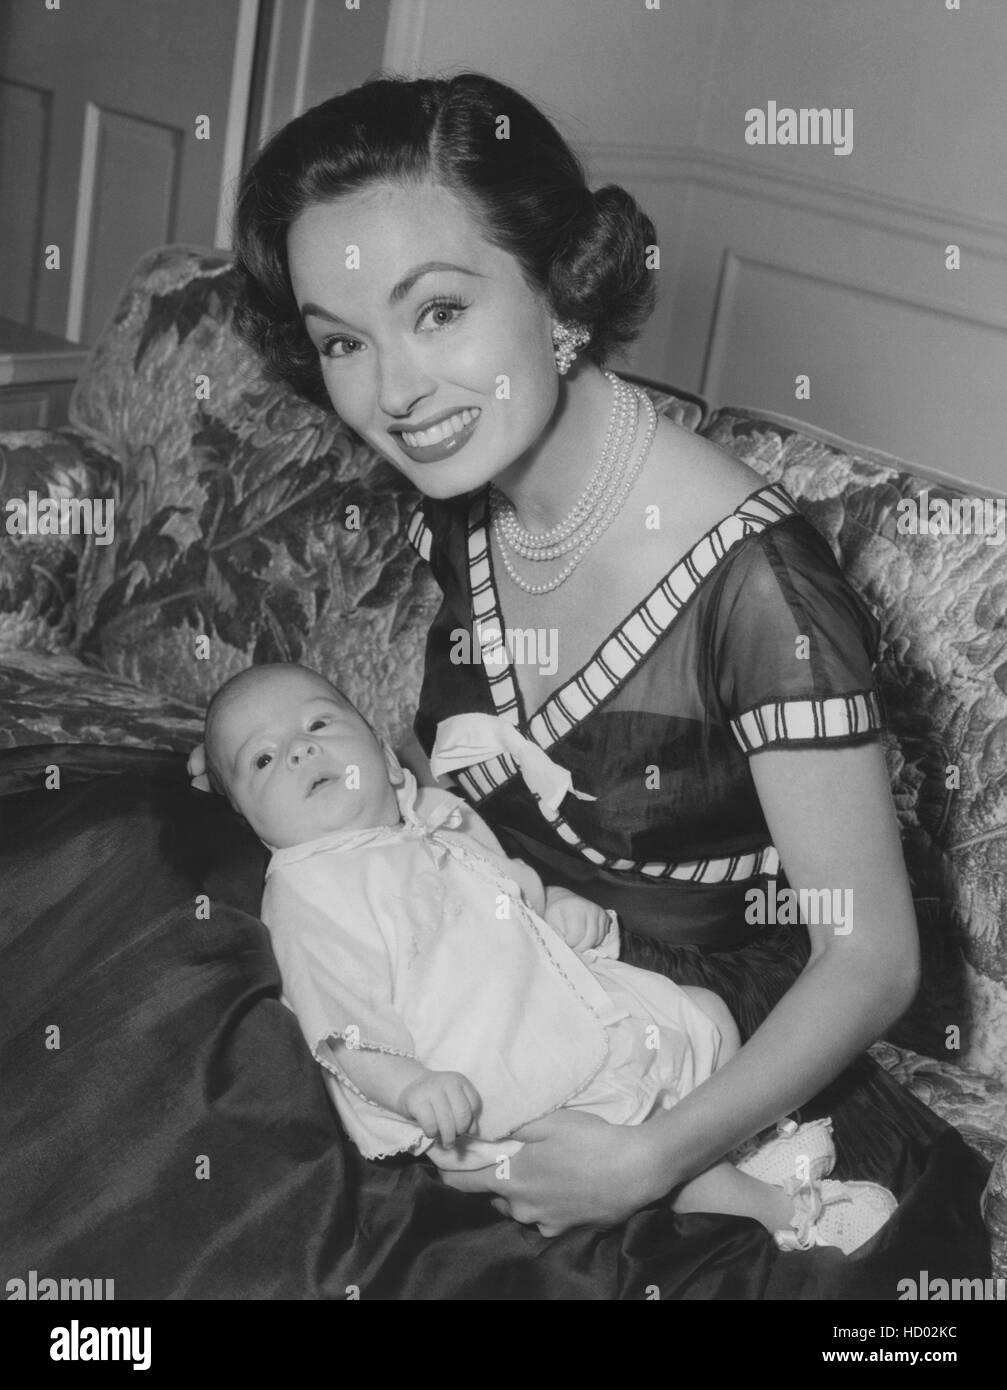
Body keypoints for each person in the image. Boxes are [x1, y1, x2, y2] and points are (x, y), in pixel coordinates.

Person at [195, 69, 989, 1291]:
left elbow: (870, 959)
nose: (395, 392)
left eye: (438, 312)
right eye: (343, 341)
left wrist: (644, 1159)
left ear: (558, 288)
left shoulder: (761, 588)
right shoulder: (466, 504)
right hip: (477, 971)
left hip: (680, 1042)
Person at [201, 660, 898, 1253]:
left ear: (384, 758)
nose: (296, 750)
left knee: (706, 1017)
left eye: (319, 726)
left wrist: (557, 911)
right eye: (261, 760)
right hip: (496, 1086)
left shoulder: (433, 818)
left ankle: (731, 1149)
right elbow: (340, 1020)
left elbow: (504, 893)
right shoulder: (309, 889)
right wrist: (411, 1085)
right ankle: (783, 1218)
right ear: (252, 823)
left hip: (564, 1009)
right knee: (619, 1133)